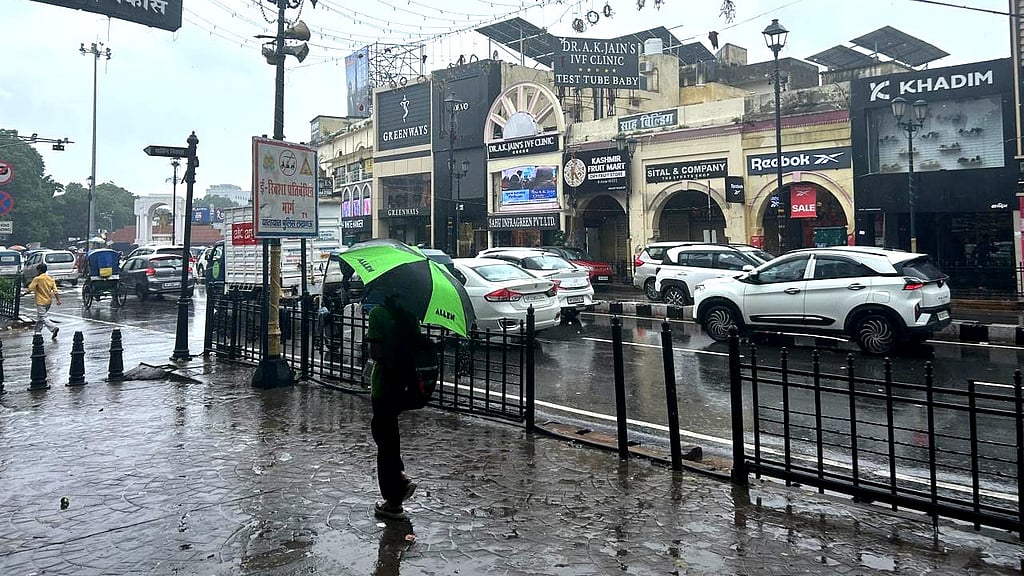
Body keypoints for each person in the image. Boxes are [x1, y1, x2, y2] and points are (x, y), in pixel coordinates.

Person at [365, 293, 420, 520]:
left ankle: (393, 499)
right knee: (389, 434)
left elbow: (374, 352)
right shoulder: (410, 315)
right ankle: (400, 476)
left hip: (383, 384)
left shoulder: (378, 313)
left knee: (384, 438)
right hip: (402, 384)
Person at [25, 263, 61, 340]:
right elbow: (55, 290)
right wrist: (58, 300)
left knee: (43, 317)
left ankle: (53, 328)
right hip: (48, 301)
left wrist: (23, 294)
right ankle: (37, 332)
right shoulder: (50, 279)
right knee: (40, 317)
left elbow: (30, 288)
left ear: (39, 270)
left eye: (37, 270)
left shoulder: (37, 279)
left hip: (40, 301)